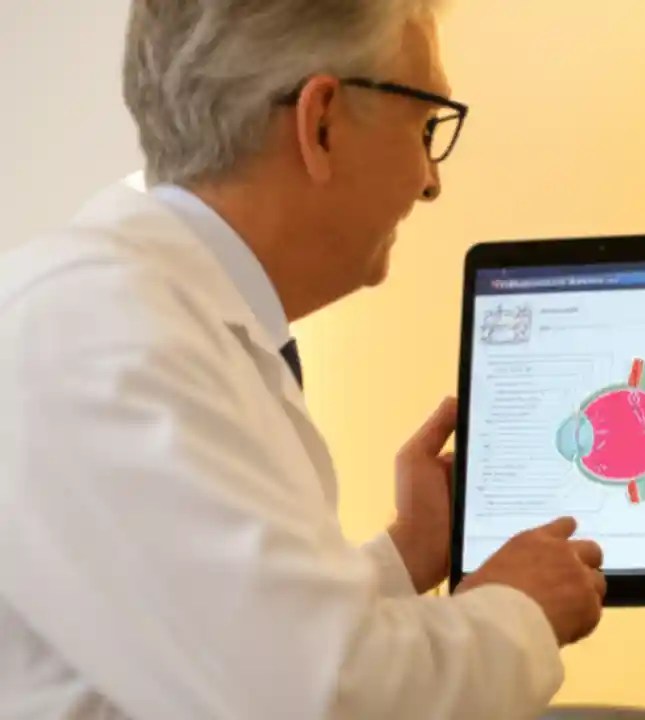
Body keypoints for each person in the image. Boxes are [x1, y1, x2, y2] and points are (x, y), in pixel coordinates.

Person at [0, 1, 606, 718]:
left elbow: (230, 637)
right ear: (321, 122)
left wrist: (406, 556)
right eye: (426, 128)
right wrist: (520, 609)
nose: (429, 181)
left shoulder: (150, 318)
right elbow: (315, 699)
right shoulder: (99, 334)